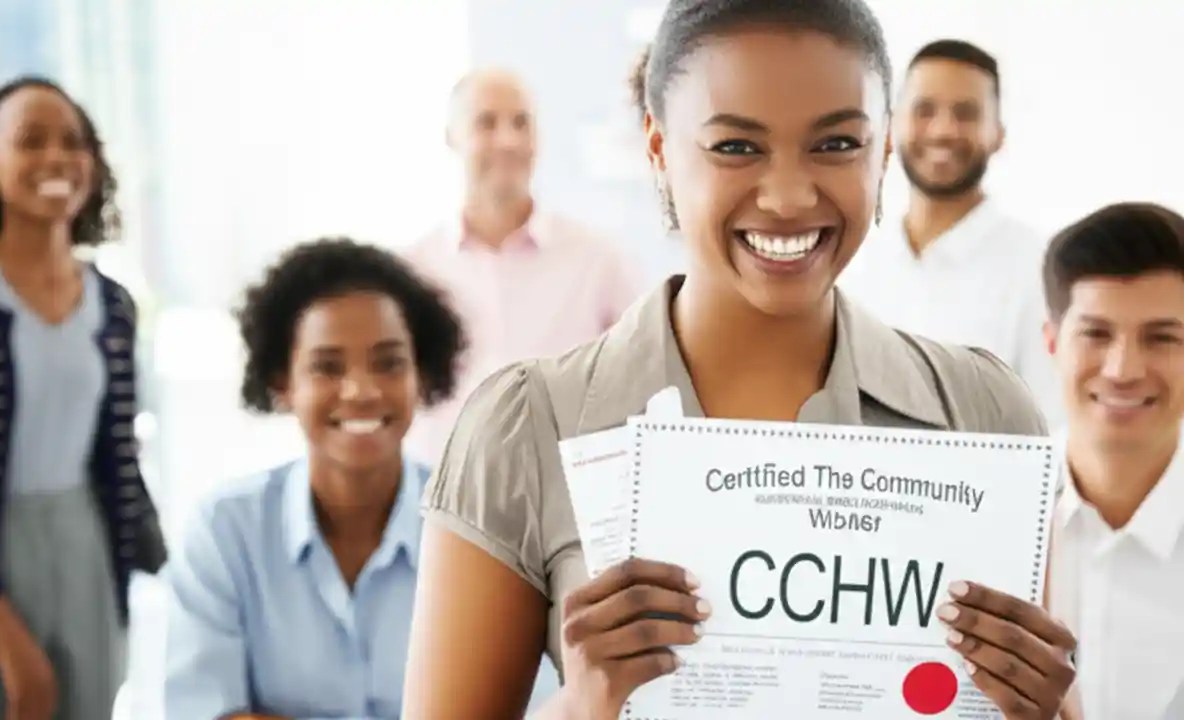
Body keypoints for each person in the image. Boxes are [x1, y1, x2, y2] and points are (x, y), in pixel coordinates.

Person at [401, 2, 1077, 719]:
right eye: (735, 148)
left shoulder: (984, 414)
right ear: (658, 148)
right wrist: (580, 707)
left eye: (837, 144)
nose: (787, 196)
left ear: (884, 152)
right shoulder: (525, 429)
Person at [0, 76, 165, 719]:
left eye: (73, 142)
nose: (56, 158)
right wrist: (3, 628)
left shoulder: (113, 304)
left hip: (85, 548)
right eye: (30, 140)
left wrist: (147, 558)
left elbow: (118, 455)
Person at [161, 238, 464, 720]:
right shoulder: (225, 531)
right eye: (327, 367)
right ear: (283, 383)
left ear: (421, 375)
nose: (361, 391)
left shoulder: (474, 537)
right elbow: (207, 712)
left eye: (389, 363)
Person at [401, 67, 647, 468]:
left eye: (521, 122)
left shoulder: (599, 261)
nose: (508, 139)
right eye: (486, 122)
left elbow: (644, 382)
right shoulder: (411, 272)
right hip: (443, 499)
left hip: (565, 503)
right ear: (452, 137)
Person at [836, 39, 1061, 427]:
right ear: (890, 126)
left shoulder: (1039, 269)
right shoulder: (848, 261)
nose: (943, 130)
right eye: (924, 110)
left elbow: (1055, 427)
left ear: (998, 134)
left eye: (967, 113)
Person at [1041, 203, 1184, 720]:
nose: (1124, 369)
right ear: (1052, 343)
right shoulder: (987, 508)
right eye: (1097, 334)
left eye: (1162, 338)